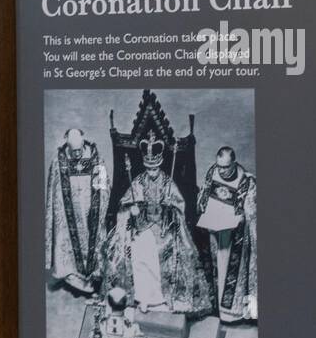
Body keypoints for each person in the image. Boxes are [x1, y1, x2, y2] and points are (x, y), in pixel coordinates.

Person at [102, 132, 213, 317]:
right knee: (137, 251)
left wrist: (171, 206)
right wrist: (131, 209)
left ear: (160, 165)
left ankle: (165, 299)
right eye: (149, 169)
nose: (152, 173)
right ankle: (142, 297)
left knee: (170, 250)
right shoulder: (138, 181)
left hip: (165, 227)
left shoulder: (168, 182)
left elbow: (181, 205)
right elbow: (124, 203)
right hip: (142, 226)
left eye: (155, 169)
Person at [196, 146, 258, 324]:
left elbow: (251, 213)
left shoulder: (246, 181)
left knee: (229, 271)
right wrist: (204, 208)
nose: (221, 170)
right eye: (219, 166)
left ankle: (231, 314)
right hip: (214, 231)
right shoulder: (212, 171)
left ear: (234, 163)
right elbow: (204, 196)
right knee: (215, 267)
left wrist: (240, 218)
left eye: (225, 167)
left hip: (234, 236)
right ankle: (215, 307)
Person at [44, 128, 108, 295]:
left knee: (92, 238)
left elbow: (103, 187)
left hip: (90, 211)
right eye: (74, 151)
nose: (78, 154)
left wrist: (99, 206)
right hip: (68, 212)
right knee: (66, 238)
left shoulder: (96, 159)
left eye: (80, 150)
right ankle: (70, 274)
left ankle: (94, 275)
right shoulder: (59, 162)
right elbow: (54, 194)